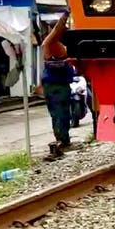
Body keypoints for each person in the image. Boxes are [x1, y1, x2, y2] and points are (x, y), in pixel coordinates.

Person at [41, 8, 73, 154]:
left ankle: (63, 139)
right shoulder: (50, 43)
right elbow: (57, 30)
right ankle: (62, 140)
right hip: (56, 85)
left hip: (58, 84)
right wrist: (65, 16)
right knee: (60, 114)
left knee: (60, 114)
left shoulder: (57, 45)